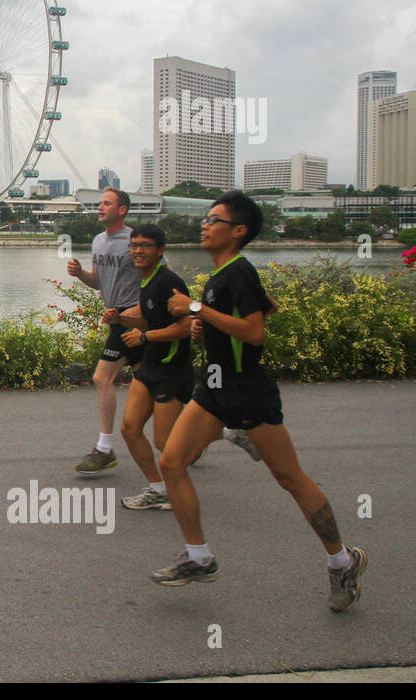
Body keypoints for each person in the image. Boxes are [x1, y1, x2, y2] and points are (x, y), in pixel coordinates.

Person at [149, 190, 367, 611]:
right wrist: (205, 325)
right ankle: (200, 558)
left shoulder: (239, 271)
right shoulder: (223, 274)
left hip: (247, 392)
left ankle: (342, 561)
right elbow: (268, 307)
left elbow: (254, 333)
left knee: (289, 478)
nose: (204, 225)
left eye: (214, 220)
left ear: (238, 231)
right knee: (172, 463)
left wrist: (195, 306)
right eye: (206, 219)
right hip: (212, 390)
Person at [110, 224, 196, 510]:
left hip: (172, 368)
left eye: (145, 245)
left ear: (160, 251)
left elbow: (186, 326)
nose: (138, 250)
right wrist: (121, 319)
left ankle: (223, 431)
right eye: (134, 245)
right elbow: (152, 321)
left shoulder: (168, 282)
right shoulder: (146, 282)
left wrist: (144, 337)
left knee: (164, 441)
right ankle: (158, 489)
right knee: (129, 428)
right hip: (151, 365)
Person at [66, 188, 139, 475]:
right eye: (99, 203)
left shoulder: (136, 240)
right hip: (118, 320)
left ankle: (105, 449)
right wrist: (80, 273)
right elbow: (97, 283)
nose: (100, 207)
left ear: (122, 210)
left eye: (107, 203)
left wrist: (139, 312)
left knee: (102, 377)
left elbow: (161, 278)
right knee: (159, 389)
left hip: (136, 319)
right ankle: (215, 433)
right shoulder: (98, 241)